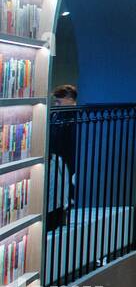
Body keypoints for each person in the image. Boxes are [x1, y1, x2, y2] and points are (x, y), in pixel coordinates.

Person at [46, 83, 78, 232]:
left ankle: (60, 215)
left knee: (63, 188)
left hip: (64, 157)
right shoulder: (58, 115)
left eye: (59, 101)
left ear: (70, 99)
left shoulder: (72, 115)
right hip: (57, 157)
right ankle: (58, 216)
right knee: (58, 189)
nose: (56, 104)